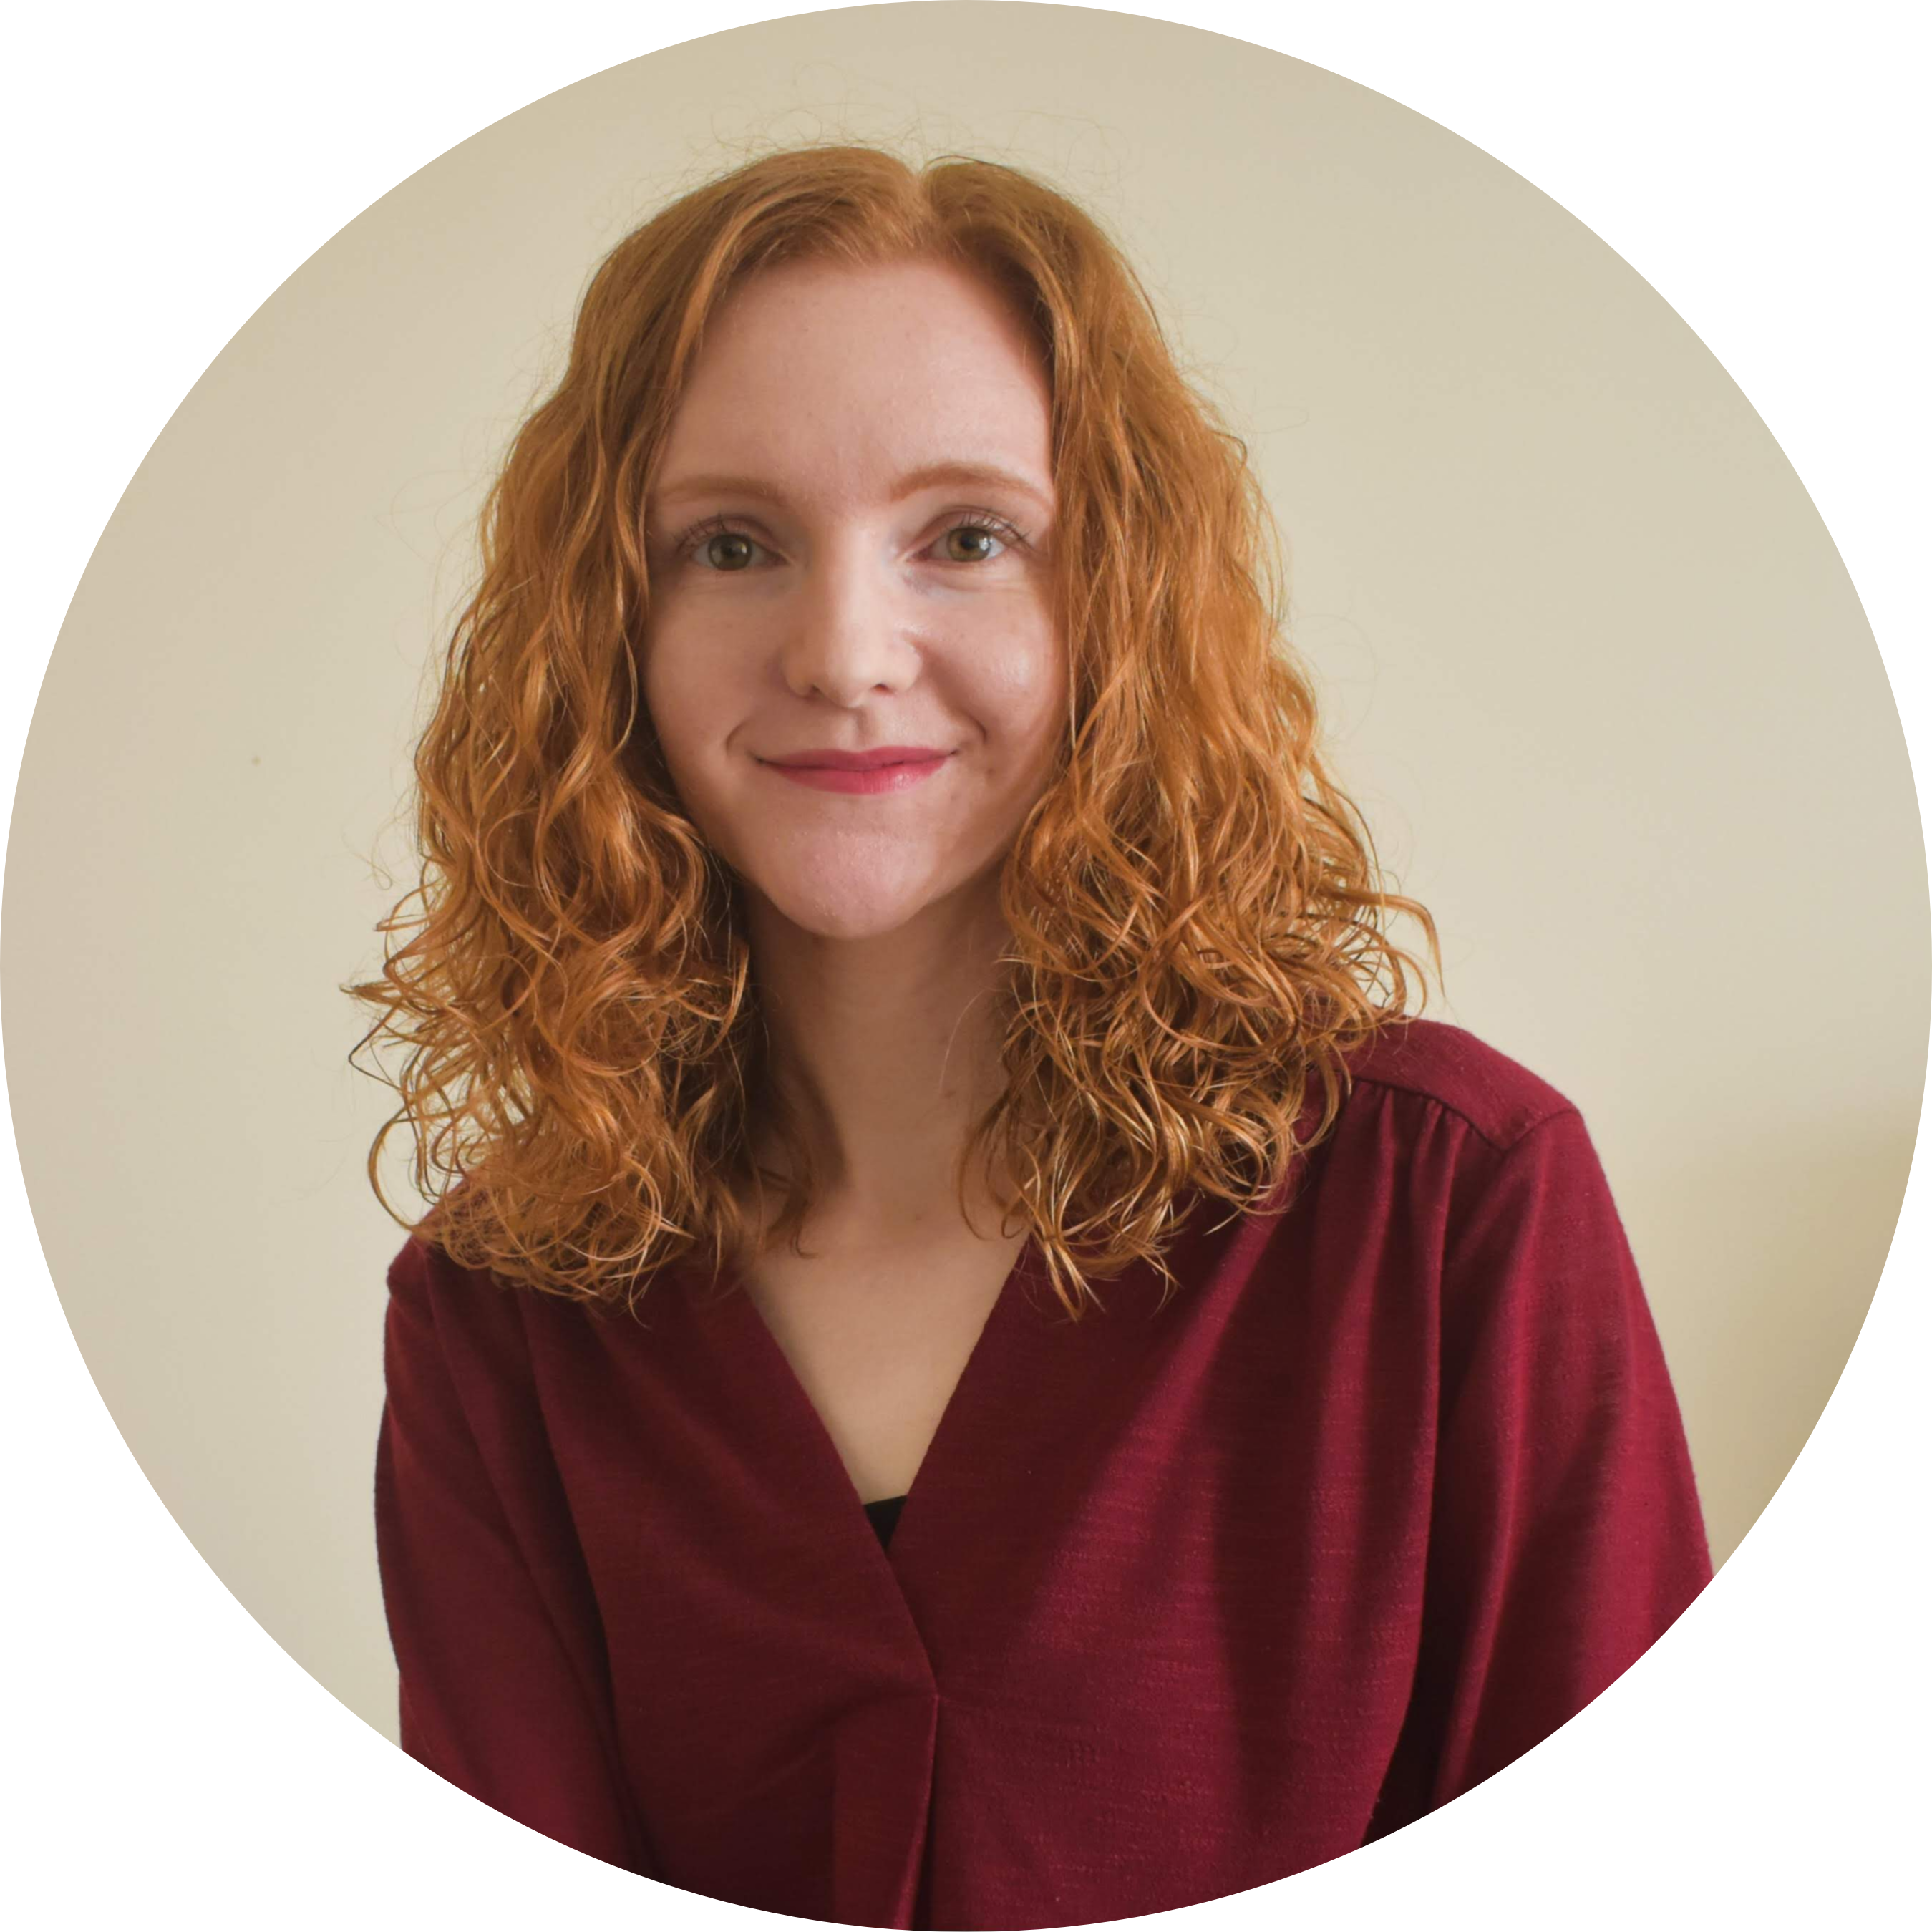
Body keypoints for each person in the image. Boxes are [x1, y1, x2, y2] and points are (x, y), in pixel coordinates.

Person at [354, 143, 1712, 1928]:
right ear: (609, 625)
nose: (844, 648)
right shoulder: (506, 1312)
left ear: (1118, 609)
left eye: (968, 537)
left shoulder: (1447, 1206)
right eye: (731, 542)